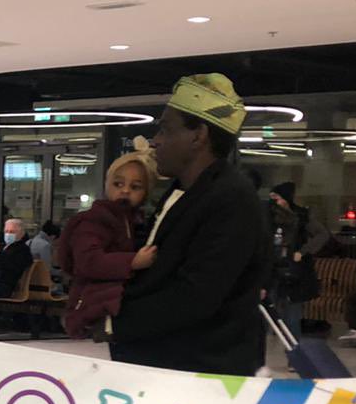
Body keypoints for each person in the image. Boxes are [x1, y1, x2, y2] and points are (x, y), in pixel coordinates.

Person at [109, 73, 269, 376]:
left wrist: (113, 320)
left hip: (202, 373)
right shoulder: (186, 190)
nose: (155, 141)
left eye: (166, 129)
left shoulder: (231, 199)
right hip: (167, 366)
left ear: (199, 136)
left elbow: (196, 296)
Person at [60, 149, 157, 341]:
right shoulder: (94, 220)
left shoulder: (135, 223)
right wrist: (132, 262)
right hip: (93, 312)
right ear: (107, 184)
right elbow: (88, 261)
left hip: (109, 308)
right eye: (118, 183)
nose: (125, 190)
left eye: (135, 186)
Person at [268, 180, 332, 341]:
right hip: (274, 269)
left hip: (295, 271)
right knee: (273, 311)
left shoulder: (302, 217)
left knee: (292, 314)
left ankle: (294, 353)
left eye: (277, 198)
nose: (274, 202)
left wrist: (303, 251)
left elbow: (322, 234)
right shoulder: (269, 216)